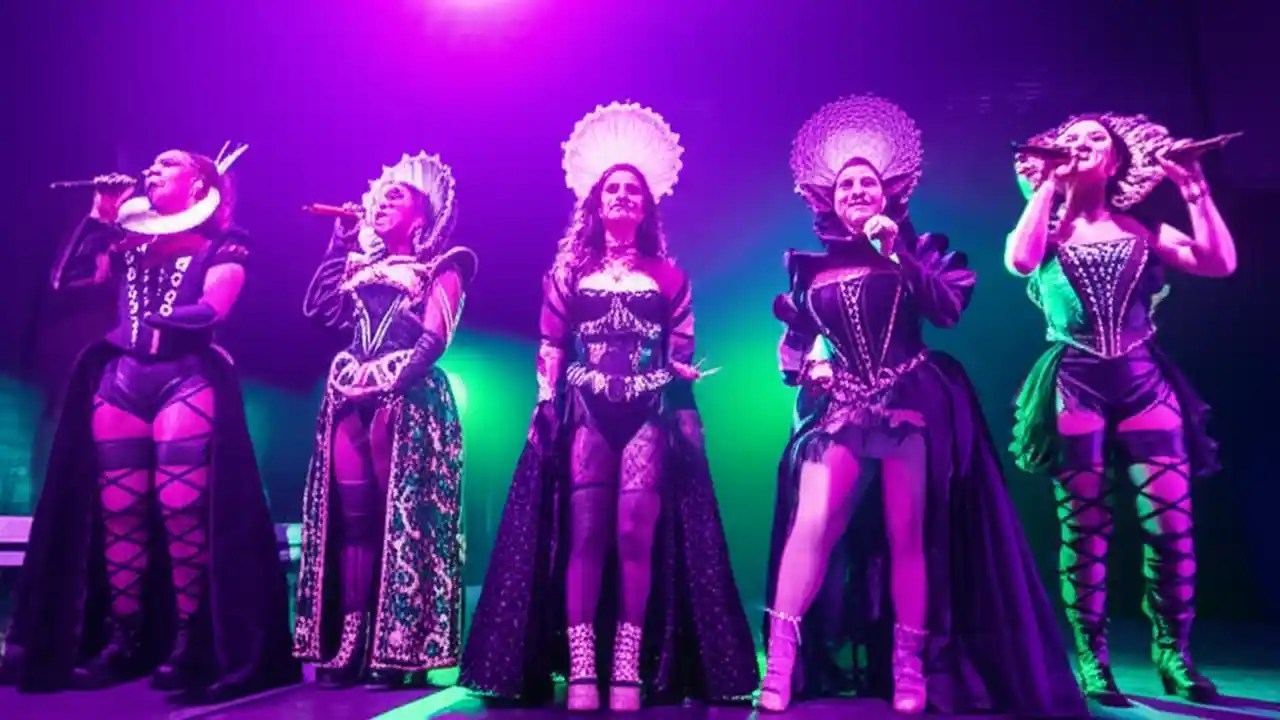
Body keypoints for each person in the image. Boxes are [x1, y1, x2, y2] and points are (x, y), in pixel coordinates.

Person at [760, 95, 1086, 717]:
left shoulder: (918, 248)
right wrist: (810, 360)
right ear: (829, 197)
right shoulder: (810, 269)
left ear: (889, 194)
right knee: (812, 525)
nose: (857, 190)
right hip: (843, 407)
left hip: (910, 398)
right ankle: (780, 662)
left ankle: (911, 666)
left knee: (910, 533)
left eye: (868, 183)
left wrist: (899, 255)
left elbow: (946, 310)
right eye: (847, 184)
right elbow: (792, 349)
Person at [459, 102, 759, 712]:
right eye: (612, 189)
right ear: (595, 204)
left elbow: (682, 346)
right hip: (584, 409)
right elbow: (548, 344)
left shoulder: (671, 276)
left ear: (648, 207)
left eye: (633, 191)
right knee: (587, 534)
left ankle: (628, 664)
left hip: (648, 411)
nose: (622, 196)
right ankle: (583, 665)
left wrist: (680, 374)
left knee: (633, 533)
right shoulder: (568, 271)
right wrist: (545, 405)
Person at [0, 144, 299, 702]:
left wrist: (165, 319)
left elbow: (215, 306)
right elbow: (66, 280)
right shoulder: (127, 237)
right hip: (121, 378)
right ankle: (127, 638)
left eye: (168, 164)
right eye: (154, 165)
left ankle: (191, 642)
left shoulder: (224, 243)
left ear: (197, 183)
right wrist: (99, 216)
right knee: (119, 516)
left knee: (182, 509)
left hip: (186, 376)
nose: (153, 169)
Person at [1007, 113, 1236, 706]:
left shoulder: (1141, 228)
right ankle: (1092, 654)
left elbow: (1219, 262)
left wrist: (1192, 186)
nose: (1081, 145)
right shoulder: (1048, 231)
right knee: (1085, 528)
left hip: (1142, 380)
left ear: (1114, 162)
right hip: (1075, 381)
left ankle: (1174, 652)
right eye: (1072, 139)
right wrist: (1049, 187)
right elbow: (1021, 261)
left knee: (1173, 527)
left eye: (1095, 140)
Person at [294, 151, 475, 689]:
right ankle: (350, 638)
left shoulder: (444, 265)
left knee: (401, 520)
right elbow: (320, 312)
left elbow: (435, 338)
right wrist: (340, 241)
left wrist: (391, 381)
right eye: (380, 194)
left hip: (407, 398)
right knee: (355, 522)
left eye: (398, 195)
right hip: (351, 395)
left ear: (423, 217)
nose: (382, 200)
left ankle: (397, 647)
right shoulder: (360, 265)